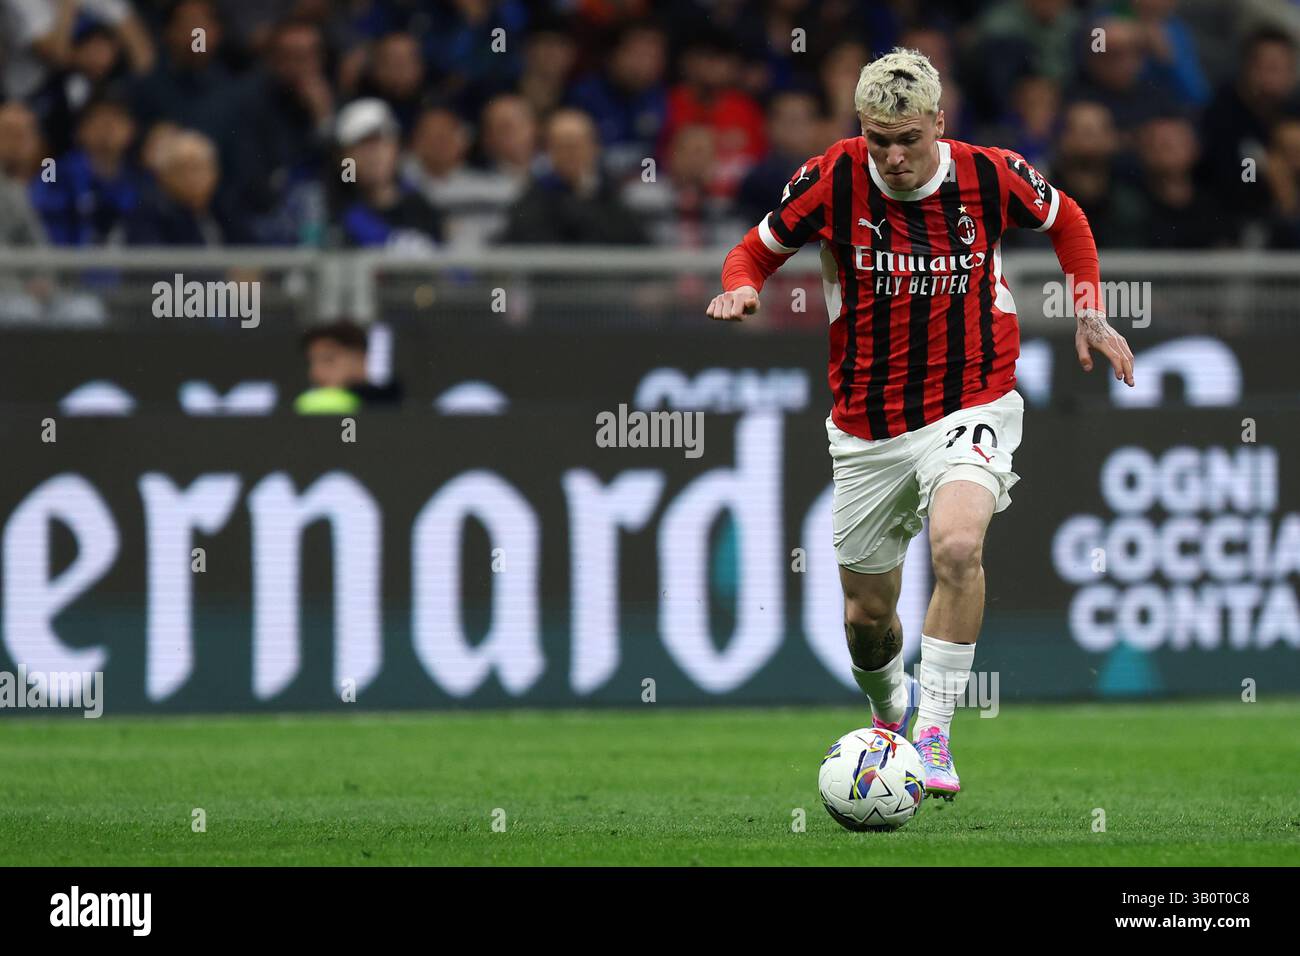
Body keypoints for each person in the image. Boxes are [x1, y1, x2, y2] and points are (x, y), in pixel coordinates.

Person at [706, 48, 1135, 801]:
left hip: (973, 400)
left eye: (909, 138)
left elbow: (1067, 220)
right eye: (879, 140)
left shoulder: (991, 173)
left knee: (958, 544)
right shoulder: (830, 178)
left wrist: (1090, 309)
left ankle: (934, 733)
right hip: (868, 429)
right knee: (868, 617)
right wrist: (740, 290)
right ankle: (890, 712)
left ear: (940, 122)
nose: (895, 157)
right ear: (861, 130)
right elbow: (752, 252)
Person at [296, 319, 401, 414]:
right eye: (312, 363)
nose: (315, 373)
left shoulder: (393, 403)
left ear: (360, 357)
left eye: (328, 360)